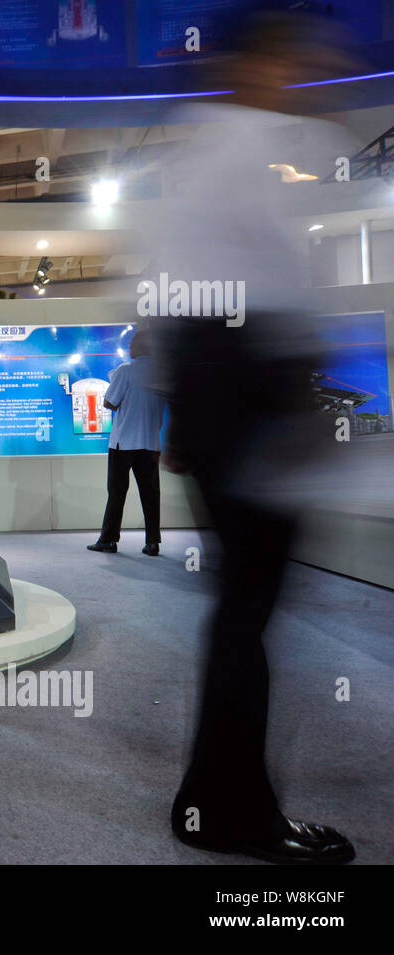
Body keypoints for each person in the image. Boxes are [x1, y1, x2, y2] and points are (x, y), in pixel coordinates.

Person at [151, 10, 359, 864]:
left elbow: (164, 297)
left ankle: (210, 799)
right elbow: (275, 284)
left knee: (241, 609)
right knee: (248, 612)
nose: (299, 69)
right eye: (287, 55)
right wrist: (299, 390)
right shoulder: (255, 146)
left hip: (211, 392)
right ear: (254, 60)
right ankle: (231, 809)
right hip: (245, 390)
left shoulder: (188, 148)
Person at [86, 329, 165, 555]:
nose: (129, 349)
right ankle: (152, 543)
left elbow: (110, 402)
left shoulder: (125, 371)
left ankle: (108, 540)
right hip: (150, 443)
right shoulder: (160, 373)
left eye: (132, 345)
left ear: (139, 348)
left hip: (123, 444)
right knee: (151, 494)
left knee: (117, 493)